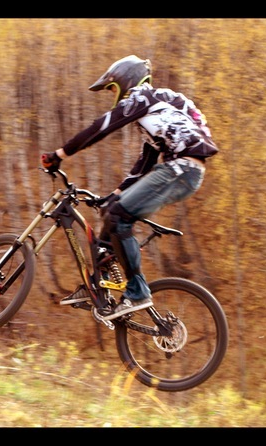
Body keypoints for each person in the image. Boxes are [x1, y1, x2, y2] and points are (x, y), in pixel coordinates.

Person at [41, 55, 218, 321]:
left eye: (112, 89)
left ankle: (137, 293)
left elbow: (101, 127)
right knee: (112, 210)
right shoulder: (159, 108)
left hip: (181, 169)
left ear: (125, 81)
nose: (113, 96)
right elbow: (145, 162)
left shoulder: (142, 97)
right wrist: (115, 194)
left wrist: (59, 154)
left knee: (119, 217)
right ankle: (96, 285)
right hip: (183, 171)